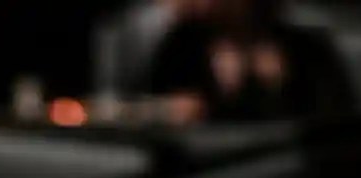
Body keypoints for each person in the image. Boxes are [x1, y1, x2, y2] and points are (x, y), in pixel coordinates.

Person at [149, 0, 350, 123]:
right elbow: (144, 107)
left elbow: (333, 128)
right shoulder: (182, 44)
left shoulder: (306, 49)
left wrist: (275, 87)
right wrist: (169, 111)